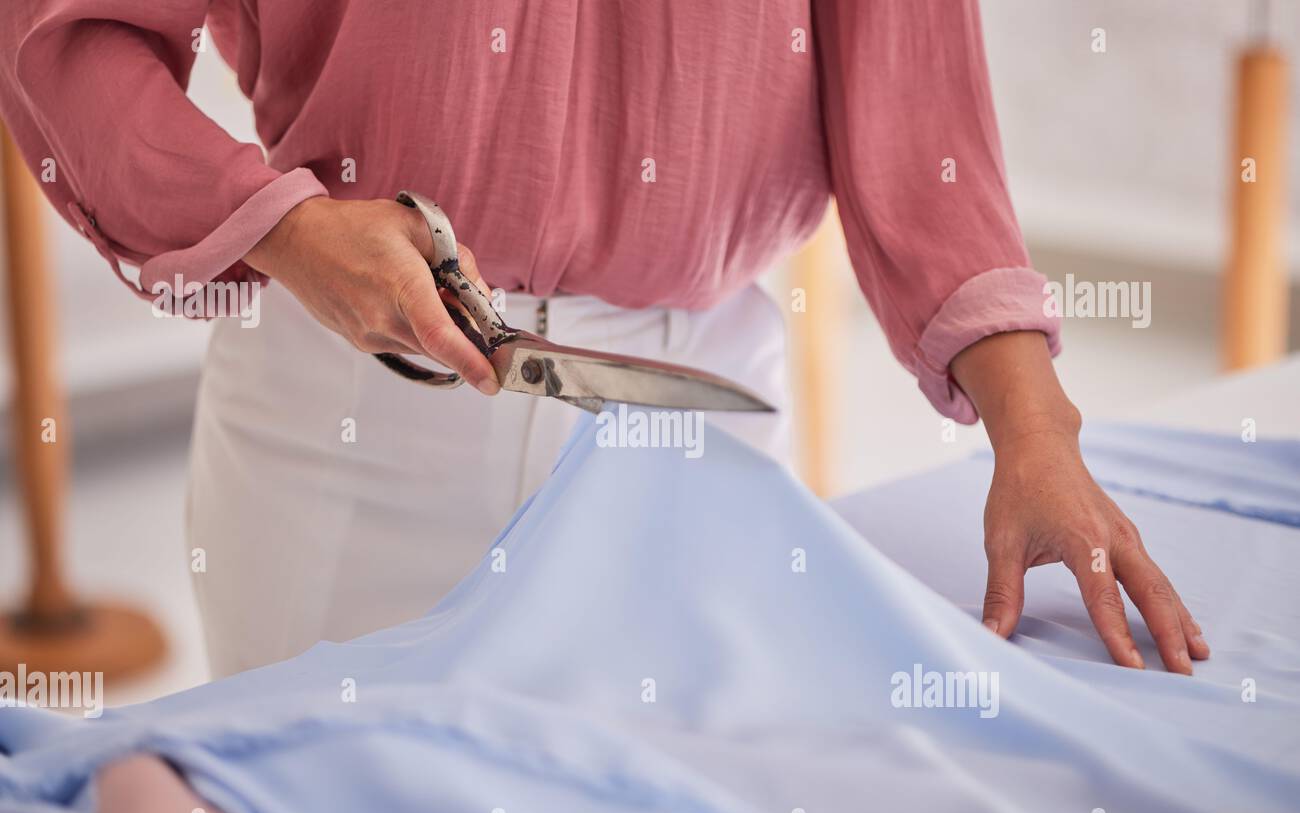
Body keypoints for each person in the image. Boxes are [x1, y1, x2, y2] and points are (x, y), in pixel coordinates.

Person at [0, 1, 1209, 677]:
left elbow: (922, 126)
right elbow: (64, 33)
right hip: (350, 408)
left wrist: (1033, 427)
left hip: (690, 429)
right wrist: (285, 229)